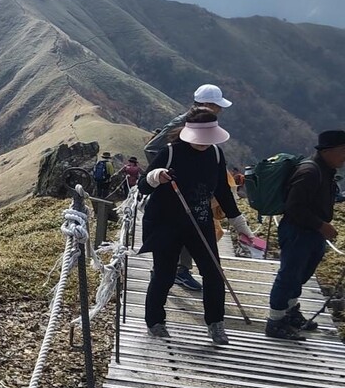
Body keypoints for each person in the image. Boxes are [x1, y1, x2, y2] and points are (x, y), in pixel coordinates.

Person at [139, 109, 255, 346]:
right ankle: (155, 321)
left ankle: (215, 324)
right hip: (166, 224)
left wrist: (240, 225)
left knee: (214, 274)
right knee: (164, 274)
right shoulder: (170, 153)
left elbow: (223, 191)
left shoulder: (215, 154)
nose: (203, 143)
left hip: (200, 223)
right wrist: (156, 176)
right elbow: (143, 186)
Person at [144, 84, 233, 293]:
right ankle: (176, 271)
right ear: (208, 105)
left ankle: (177, 270)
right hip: (175, 191)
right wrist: (166, 172)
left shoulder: (200, 124)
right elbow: (152, 149)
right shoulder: (184, 123)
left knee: (194, 227)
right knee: (182, 228)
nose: (220, 110)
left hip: (197, 191)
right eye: (217, 106)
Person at [265, 129, 345, 340]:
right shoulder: (310, 172)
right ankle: (275, 321)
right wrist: (322, 226)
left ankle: (290, 312)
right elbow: (294, 207)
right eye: (343, 151)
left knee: (300, 275)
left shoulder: (323, 170)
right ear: (328, 151)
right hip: (298, 232)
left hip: (311, 233)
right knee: (289, 275)